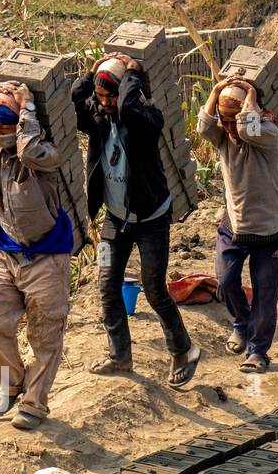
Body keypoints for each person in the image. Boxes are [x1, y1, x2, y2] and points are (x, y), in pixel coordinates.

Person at [73, 52, 201, 387]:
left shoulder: (147, 118)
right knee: (106, 285)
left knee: (154, 288)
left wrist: (130, 72)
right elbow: (74, 98)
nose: (105, 103)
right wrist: (95, 70)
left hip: (151, 219)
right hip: (115, 220)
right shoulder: (98, 117)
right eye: (100, 97)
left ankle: (183, 351)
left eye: (110, 96)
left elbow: (129, 108)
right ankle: (120, 356)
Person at [0, 80, 72, 431]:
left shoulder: (45, 155)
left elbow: (30, 152)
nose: (0, 131)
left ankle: (35, 404)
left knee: (45, 336)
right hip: (5, 255)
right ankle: (10, 383)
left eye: (8, 123)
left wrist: (27, 110)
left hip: (46, 257)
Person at [198, 76, 278, 373]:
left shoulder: (267, 133)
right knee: (225, 281)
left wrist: (249, 94)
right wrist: (215, 92)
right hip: (234, 224)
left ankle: (258, 351)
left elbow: (247, 127)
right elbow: (204, 126)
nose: (227, 126)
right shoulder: (224, 136)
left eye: (232, 119)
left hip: (269, 229)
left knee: (266, 294)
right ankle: (241, 322)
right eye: (224, 120)